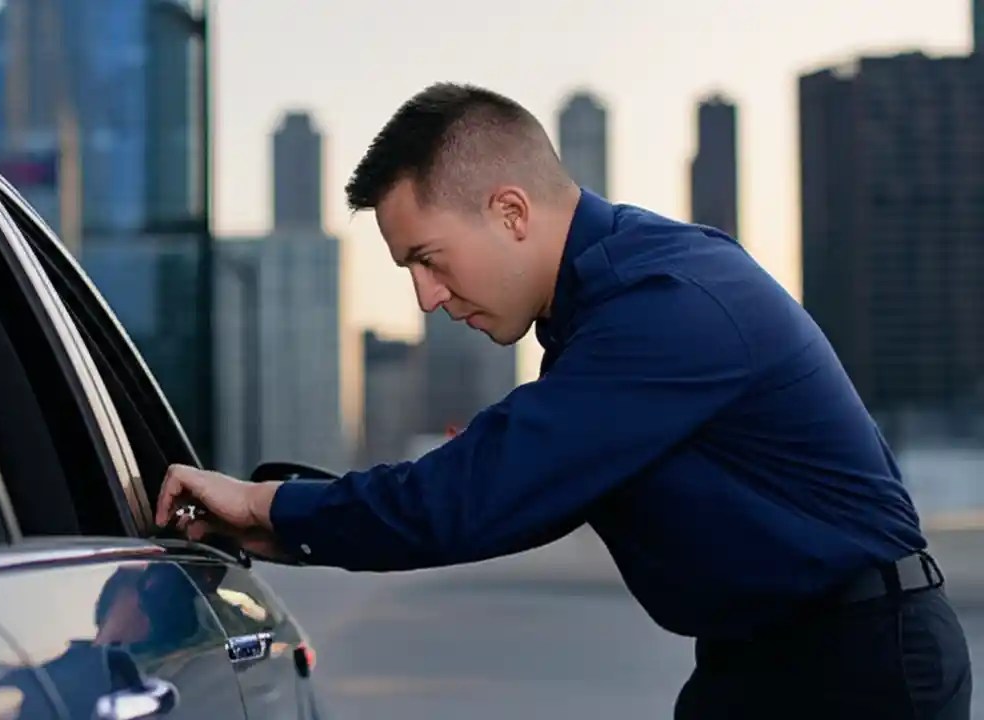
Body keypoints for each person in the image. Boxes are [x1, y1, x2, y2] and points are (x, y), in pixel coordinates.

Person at [155, 82, 973, 718]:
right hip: (765, 661)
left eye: (430, 259)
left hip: (857, 668)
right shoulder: (606, 302)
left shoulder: (662, 303)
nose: (426, 298)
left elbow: (482, 491)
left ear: (511, 211)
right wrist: (283, 526)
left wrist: (269, 504)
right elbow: (522, 495)